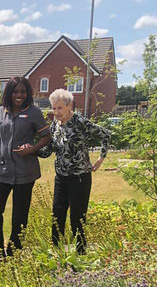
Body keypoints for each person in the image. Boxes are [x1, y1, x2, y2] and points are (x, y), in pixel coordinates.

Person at [0, 76, 51, 257]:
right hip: (4, 170)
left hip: (26, 172)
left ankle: (14, 252)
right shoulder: (0, 112)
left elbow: (46, 137)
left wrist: (32, 148)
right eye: (16, 91)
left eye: (23, 91)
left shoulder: (34, 112)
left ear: (27, 93)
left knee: (19, 216)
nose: (19, 95)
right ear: (9, 93)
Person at [47, 88, 111, 254]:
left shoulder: (80, 122)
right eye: (53, 108)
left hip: (79, 177)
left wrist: (100, 158)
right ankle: (56, 252)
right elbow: (49, 149)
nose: (56, 112)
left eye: (59, 108)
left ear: (69, 106)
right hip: (61, 176)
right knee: (57, 215)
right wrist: (30, 149)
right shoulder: (55, 124)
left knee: (77, 217)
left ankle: (80, 254)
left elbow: (106, 135)